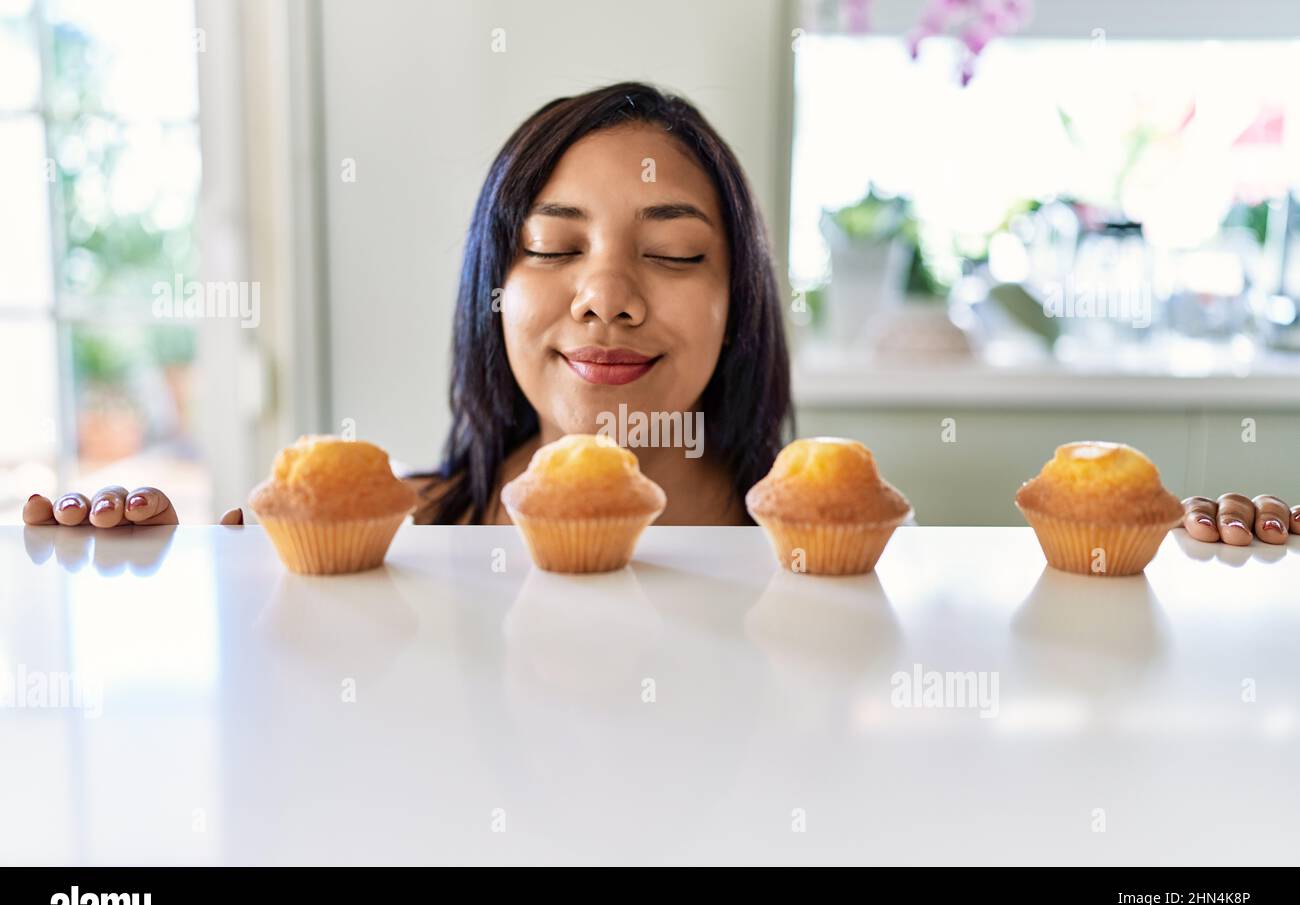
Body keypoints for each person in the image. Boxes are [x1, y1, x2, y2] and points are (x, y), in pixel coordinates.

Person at [21, 82, 1300, 544]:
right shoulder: (380, 532)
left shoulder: (846, 553)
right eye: (552, 248)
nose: (606, 292)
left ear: (738, 300)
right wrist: (135, 578)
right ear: (495, 293)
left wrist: (1193, 586)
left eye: (673, 251)